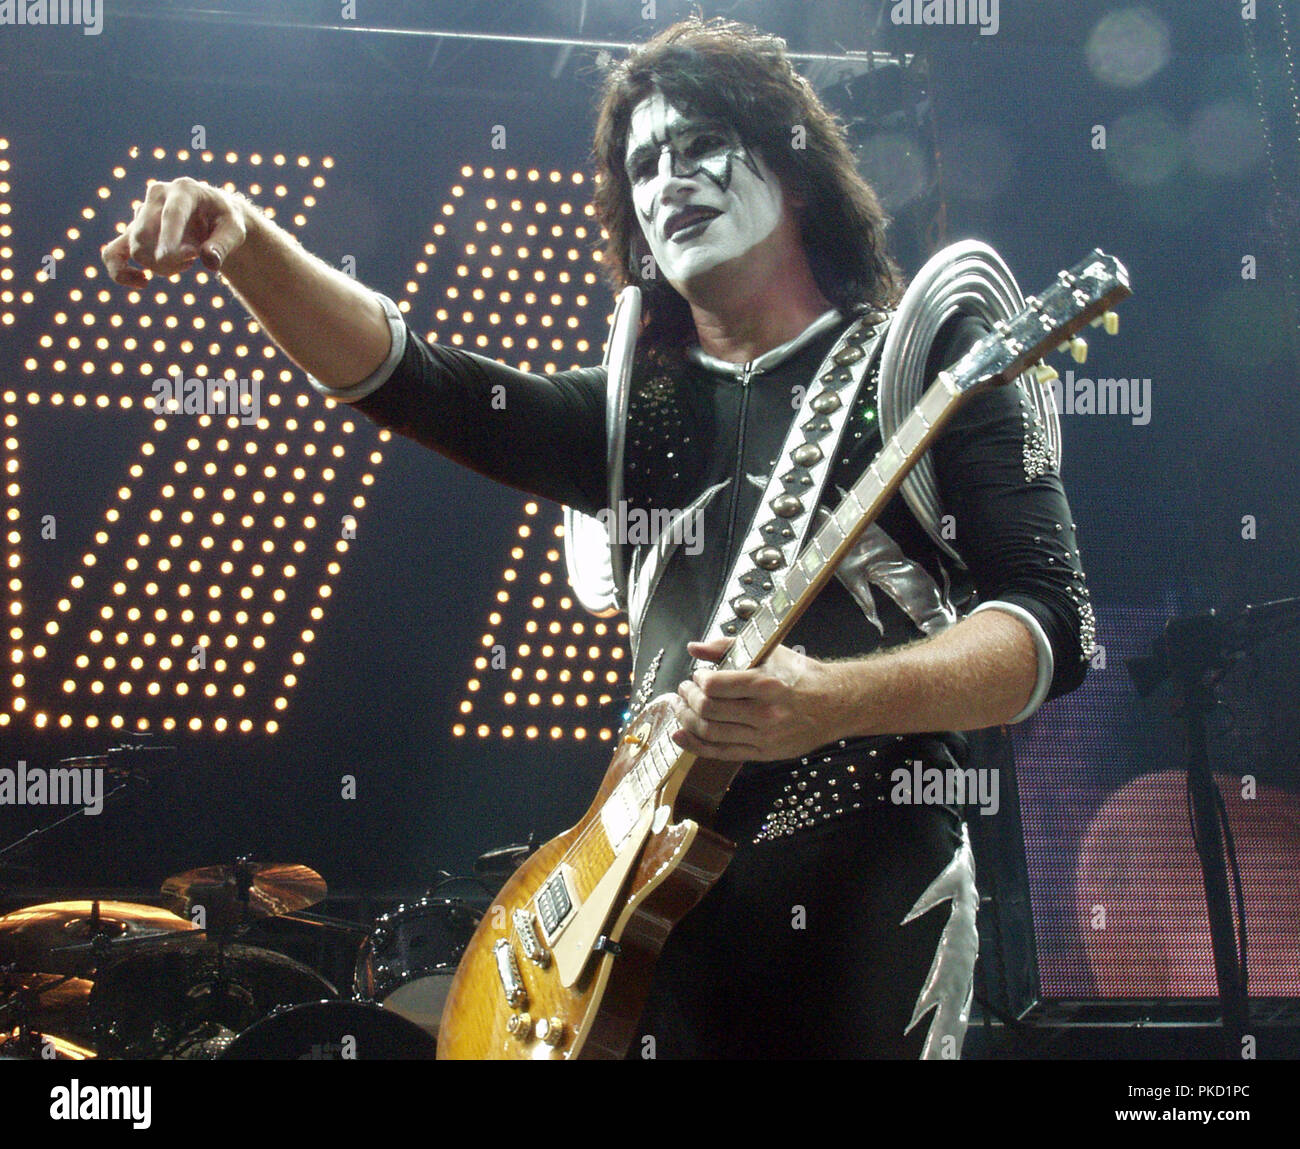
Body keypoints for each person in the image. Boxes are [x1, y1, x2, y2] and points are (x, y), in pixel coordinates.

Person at [102, 16, 1095, 1059]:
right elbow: (412, 376)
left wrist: (834, 701)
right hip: (642, 926)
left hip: (865, 895)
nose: (670, 177)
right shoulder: (632, 415)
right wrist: (247, 244)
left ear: (796, 170)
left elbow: (1051, 625)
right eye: (644, 162)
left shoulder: (928, 363)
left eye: (705, 142)